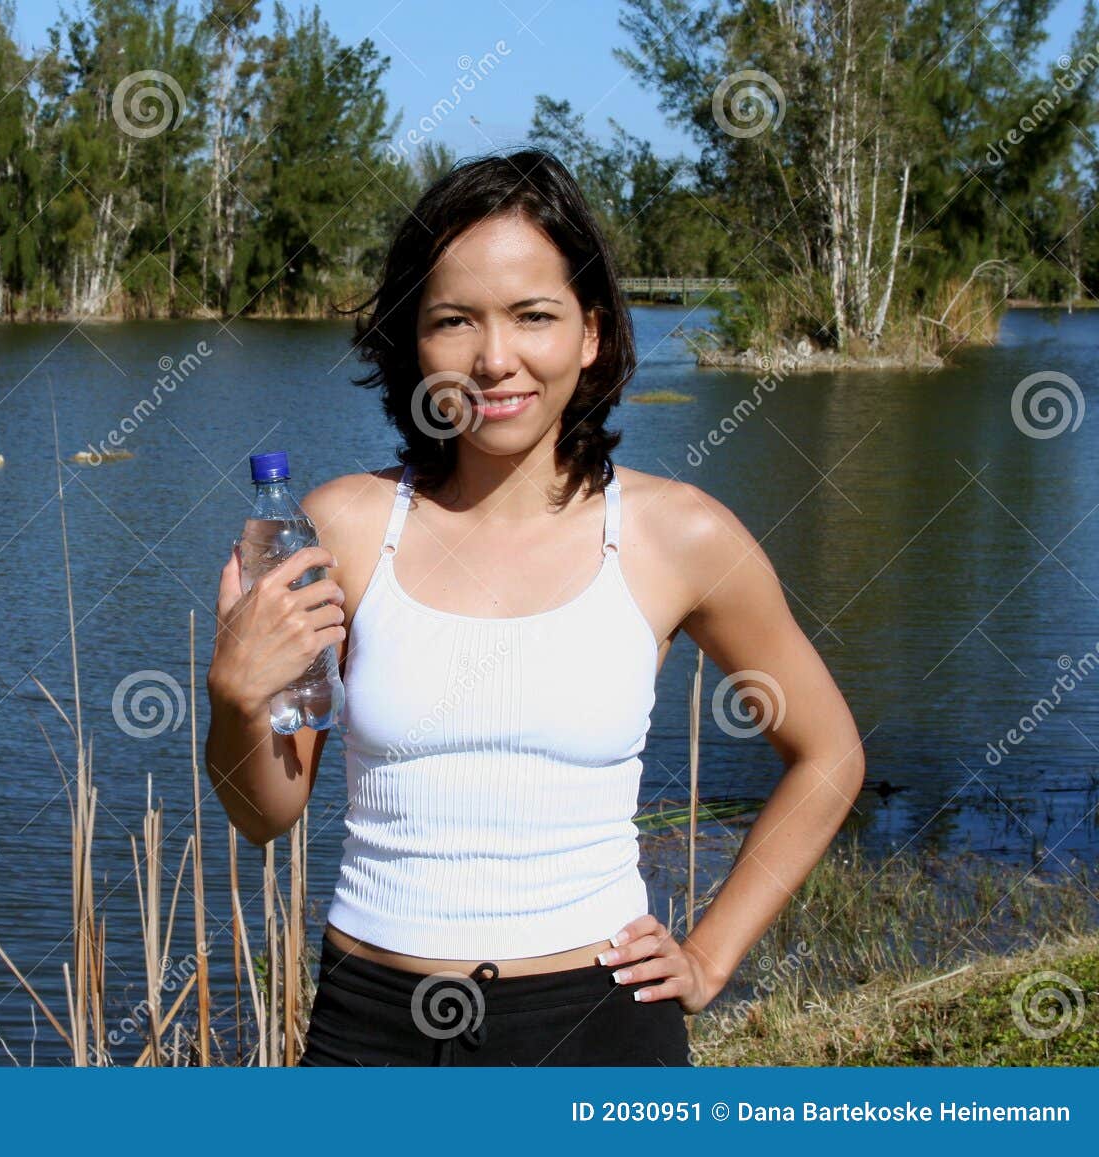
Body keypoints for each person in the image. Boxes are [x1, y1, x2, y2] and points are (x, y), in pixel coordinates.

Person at [204, 148, 865, 1066]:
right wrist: (235, 698)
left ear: (591, 333)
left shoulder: (679, 536)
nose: (495, 358)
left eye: (534, 315)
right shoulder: (344, 527)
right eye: (454, 321)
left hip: (596, 1025)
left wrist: (710, 955)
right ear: (413, 341)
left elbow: (827, 754)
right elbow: (264, 812)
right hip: (369, 1027)